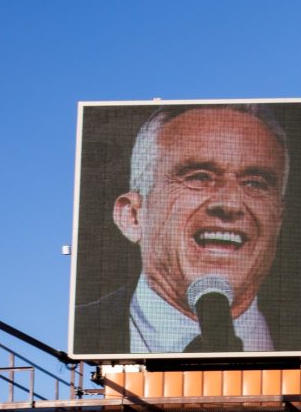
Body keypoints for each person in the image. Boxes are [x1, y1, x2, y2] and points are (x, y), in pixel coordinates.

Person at [75, 105, 289, 354]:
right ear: (133, 216)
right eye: (199, 177)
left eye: (255, 183)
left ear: (278, 220)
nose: (229, 204)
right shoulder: (86, 331)